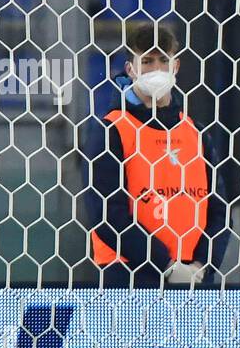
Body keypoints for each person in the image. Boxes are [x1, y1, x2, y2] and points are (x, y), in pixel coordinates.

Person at [82, 21, 229, 288]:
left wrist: (203, 265)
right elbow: (106, 215)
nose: (157, 69)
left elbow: (219, 210)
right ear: (131, 69)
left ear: (176, 66)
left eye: (163, 60)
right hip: (127, 276)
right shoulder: (111, 130)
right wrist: (166, 266)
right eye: (147, 61)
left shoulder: (195, 132)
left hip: (194, 277)